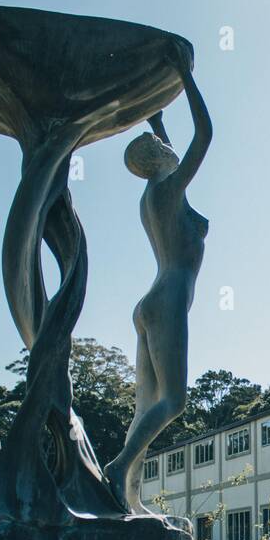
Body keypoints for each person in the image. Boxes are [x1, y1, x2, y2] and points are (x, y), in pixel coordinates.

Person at [105, 46, 212, 513]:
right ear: (161, 158)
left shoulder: (154, 194)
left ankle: (128, 499)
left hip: (149, 301)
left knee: (145, 408)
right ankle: (118, 467)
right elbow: (205, 135)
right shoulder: (170, 186)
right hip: (168, 299)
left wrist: (155, 115)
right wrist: (185, 77)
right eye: (164, 144)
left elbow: (165, 147)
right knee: (175, 402)